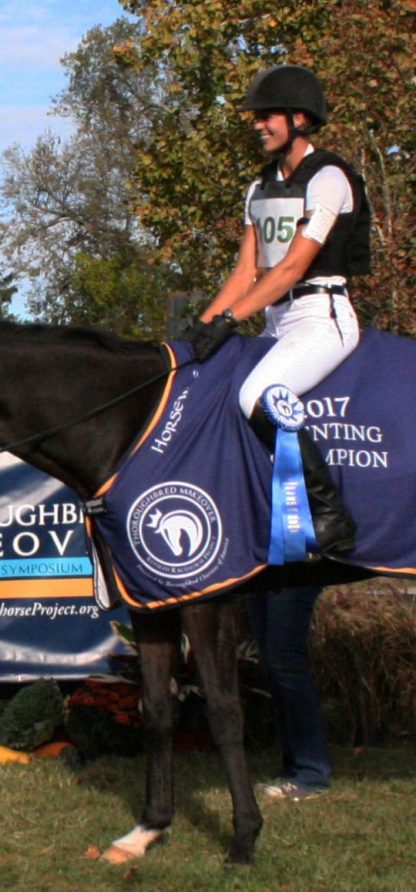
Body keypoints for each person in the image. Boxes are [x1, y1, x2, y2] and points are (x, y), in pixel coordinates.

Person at [185, 64, 372, 557]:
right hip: (275, 322)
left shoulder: (329, 177)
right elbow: (246, 273)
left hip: (322, 318)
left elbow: (291, 269)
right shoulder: (259, 188)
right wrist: (199, 331)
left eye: (267, 115)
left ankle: (331, 515)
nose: (257, 124)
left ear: (299, 119)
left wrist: (230, 321)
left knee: (259, 395)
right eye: (256, 116)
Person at [246, 584, 332, 800]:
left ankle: (312, 772)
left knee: (286, 662)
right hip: (262, 568)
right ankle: (293, 765)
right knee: (273, 663)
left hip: (295, 566)